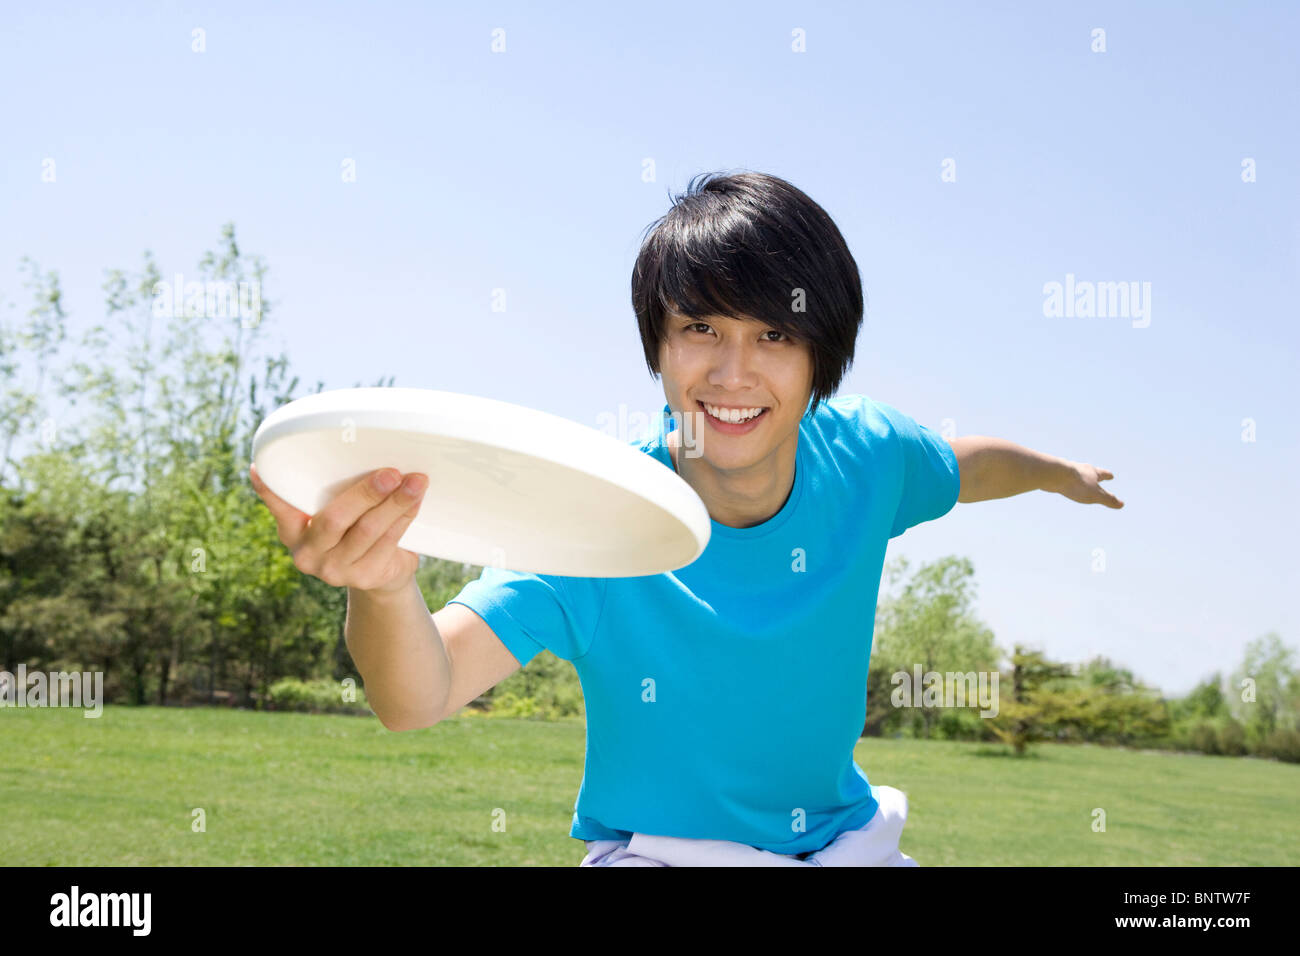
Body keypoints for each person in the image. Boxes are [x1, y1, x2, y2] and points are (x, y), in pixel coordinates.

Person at [251, 170, 1124, 866]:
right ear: (658, 347)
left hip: (846, 842)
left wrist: (1059, 475)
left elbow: (967, 466)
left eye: (774, 336)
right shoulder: (594, 516)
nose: (733, 374)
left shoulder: (869, 455)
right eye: (700, 327)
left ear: (824, 354)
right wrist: (384, 587)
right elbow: (419, 694)